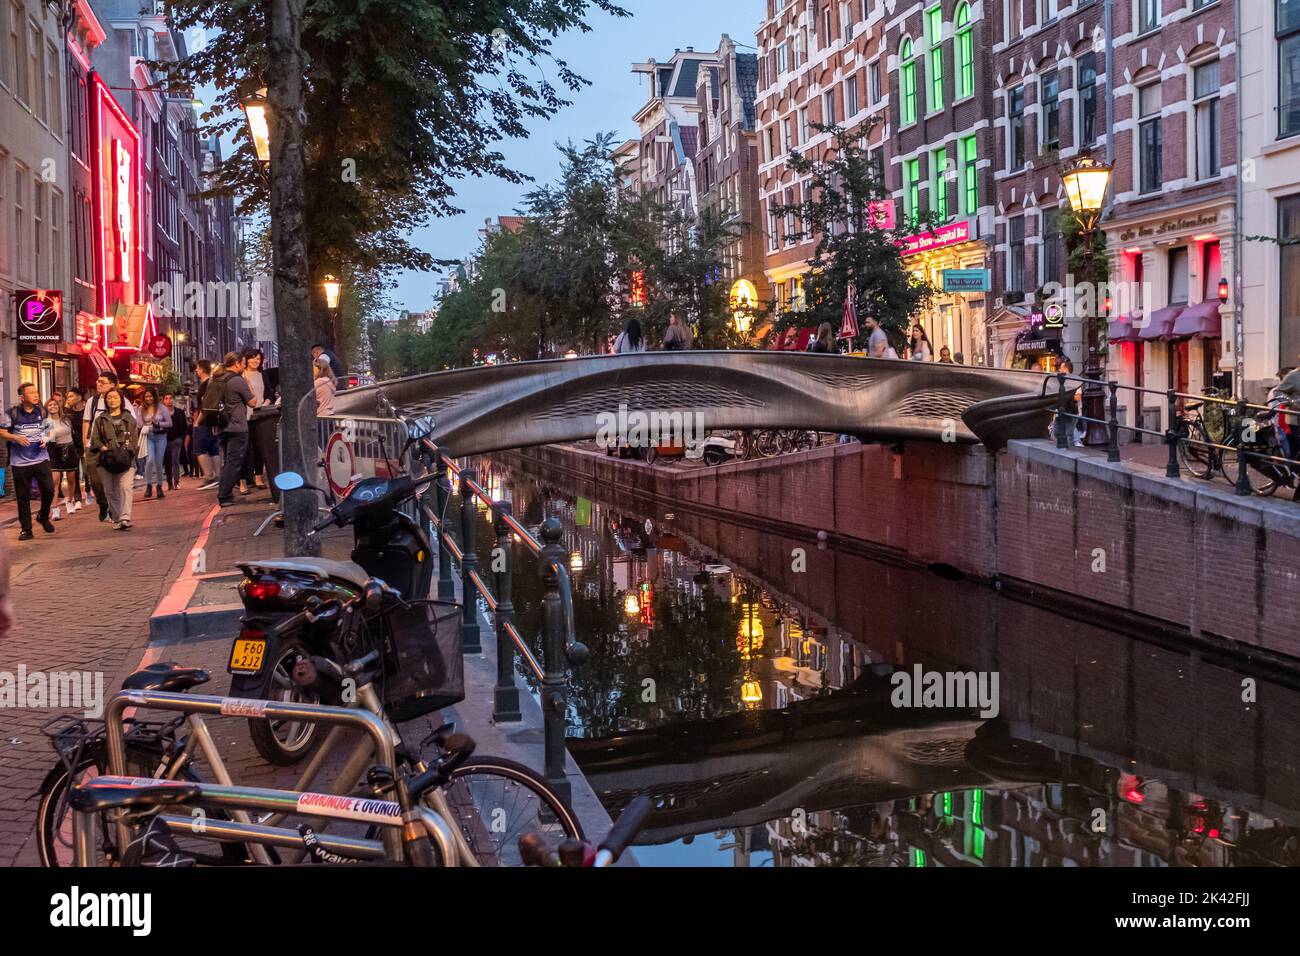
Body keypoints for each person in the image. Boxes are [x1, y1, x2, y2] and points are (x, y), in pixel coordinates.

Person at [0, 383, 55, 540]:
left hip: (41, 458)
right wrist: (16, 437)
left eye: (36, 392)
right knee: (23, 497)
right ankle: (26, 529)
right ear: (22, 397)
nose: (36, 395)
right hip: (20, 462)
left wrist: (47, 438)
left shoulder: (42, 411)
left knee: (49, 490)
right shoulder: (12, 413)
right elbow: (2, 431)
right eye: (31, 393)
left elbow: (50, 429)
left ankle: (43, 516)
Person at [83, 371, 135, 520]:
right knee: (96, 481)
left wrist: (125, 447)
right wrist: (86, 446)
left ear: (113, 385)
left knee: (117, 483)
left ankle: (118, 513)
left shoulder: (123, 402)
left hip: (116, 449)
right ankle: (103, 504)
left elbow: (131, 425)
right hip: (95, 447)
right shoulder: (92, 402)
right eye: (97, 381)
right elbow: (86, 423)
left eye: (102, 382)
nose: (98, 384)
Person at [89, 387, 139, 530]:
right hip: (106, 460)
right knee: (110, 491)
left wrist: (125, 450)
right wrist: (105, 449)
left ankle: (125, 517)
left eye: (115, 397)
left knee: (125, 487)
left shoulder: (129, 418)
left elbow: (133, 439)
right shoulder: (100, 419)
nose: (112, 400)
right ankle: (118, 518)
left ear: (121, 400)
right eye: (109, 397)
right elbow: (95, 440)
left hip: (125, 459)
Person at [214, 352, 256, 508]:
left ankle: (227, 494)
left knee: (229, 461)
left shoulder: (218, 378)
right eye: (243, 363)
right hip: (237, 427)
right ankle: (224, 496)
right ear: (237, 363)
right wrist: (248, 384)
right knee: (234, 462)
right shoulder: (237, 380)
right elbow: (252, 402)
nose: (244, 366)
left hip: (222, 426)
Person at [242, 348, 273, 493]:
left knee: (260, 448)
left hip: (260, 416)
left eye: (258, 359)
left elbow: (269, 393)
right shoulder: (241, 376)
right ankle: (243, 482)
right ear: (246, 359)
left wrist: (265, 404)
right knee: (245, 450)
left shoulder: (263, 375)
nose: (256, 361)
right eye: (253, 358)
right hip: (244, 417)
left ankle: (258, 477)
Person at [44, 398, 81, 519]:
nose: (52, 406)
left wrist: (80, 449)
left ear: (59, 406)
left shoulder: (67, 419)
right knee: (54, 481)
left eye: (54, 404)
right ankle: (55, 508)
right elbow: (48, 438)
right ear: (47, 407)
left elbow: (75, 434)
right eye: (50, 405)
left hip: (69, 450)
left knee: (71, 479)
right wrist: (46, 440)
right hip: (55, 451)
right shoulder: (47, 422)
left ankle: (69, 501)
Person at [192, 360, 222, 490]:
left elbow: (205, 406)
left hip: (205, 423)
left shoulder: (206, 385)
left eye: (197, 368)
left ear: (202, 369)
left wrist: (197, 421)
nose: (196, 371)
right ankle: (218, 476)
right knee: (213, 449)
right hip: (213, 423)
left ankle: (209, 477)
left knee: (200, 450)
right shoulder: (212, 383)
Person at [138, 387, 171, 499]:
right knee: (149, 460)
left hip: (161, 437)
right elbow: (138, 424)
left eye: (150, 396)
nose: (148, 398)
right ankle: (148, 485)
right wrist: (144, 423)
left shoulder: (162, 408)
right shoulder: (142, 409)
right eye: (146, 396)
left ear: (154, 397)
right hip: (148, 437)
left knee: (158, 462)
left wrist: (157, 423)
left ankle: (159, 486)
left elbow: (169, 423)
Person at [63, 388, 87, 508]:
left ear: (79, 397)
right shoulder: (67, 412)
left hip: (86, 445)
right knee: (74, 472)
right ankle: (77, 498)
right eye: (67, 397)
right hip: (72, 446)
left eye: (71, 396)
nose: (68, 399)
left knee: (88, 471)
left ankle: (88, 489)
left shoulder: (87, 411)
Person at [163, 393, 188, 490]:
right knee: (167, 462)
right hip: (164, 440)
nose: (169, 400)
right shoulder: (160, 413)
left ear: (173, 400)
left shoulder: (179, 412)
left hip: (176, 440)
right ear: (163, 401)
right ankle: (169, 482)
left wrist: (182, 439)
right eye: (166, 398)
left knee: (175, 461)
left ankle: (176, 482)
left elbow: (184, 426)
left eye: (170, 398)